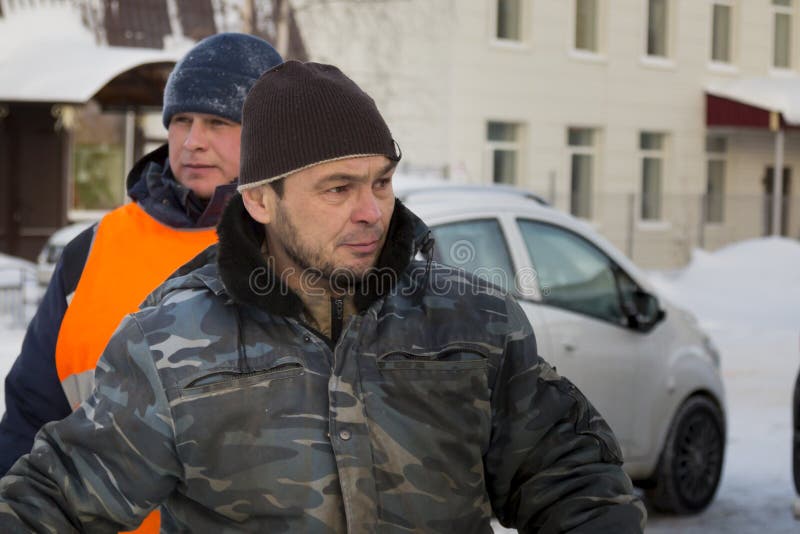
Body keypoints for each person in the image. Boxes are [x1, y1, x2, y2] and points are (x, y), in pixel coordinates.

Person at [0, 61, 646, 532]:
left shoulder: (471, 324)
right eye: (337, 189)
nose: (371, 211)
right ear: (259, 199)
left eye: (382, 182)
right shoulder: (171, 344)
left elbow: (574, 477)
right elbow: (53, 501)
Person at [0, 32, 282, 533]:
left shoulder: (305, 254)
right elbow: (31, 415)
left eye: (218, 122)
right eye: (180, 120)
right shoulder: (93, 250)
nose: (193, 141)